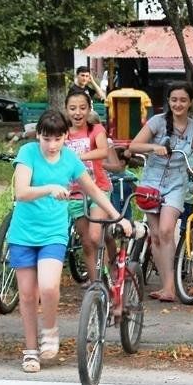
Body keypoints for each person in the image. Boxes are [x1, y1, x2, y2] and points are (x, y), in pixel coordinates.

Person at [7, 109, 131, 373]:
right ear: (38, 136)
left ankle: (50, 331)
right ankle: (30, 350)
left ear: (65, 137)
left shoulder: (70, 159)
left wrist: (118, 218)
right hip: (23, 233)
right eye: (46, 139)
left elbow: (94, 190)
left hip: (53, 232)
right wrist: (50, 188)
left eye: (57, 139)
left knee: (49, 287)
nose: (51, 145)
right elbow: (21, 192)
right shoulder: (28, 153)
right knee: (28, 295)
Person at [126, 83, 193, 303]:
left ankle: (170, 288)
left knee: (168, 230)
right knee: (157, 235)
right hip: (151, 182)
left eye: (183, 100)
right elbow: (134, 145)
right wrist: (153, 148)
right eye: (174, 100)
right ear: (168, 101)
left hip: (177, 184)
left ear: (190, 103)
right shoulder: (157, 122)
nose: (178, 104)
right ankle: (167, 286)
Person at [64, 88, 114, 283]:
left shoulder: (96, 130)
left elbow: (102, 151)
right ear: (66, 109)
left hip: (98, 188)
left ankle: (110, 271)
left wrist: (78, 157)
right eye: (73, 108)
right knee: (86, 242)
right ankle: (96, 285)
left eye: (82, 108)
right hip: (74, 192)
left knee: (95, 236)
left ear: (89, 109)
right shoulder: (62, 133)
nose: (78, 113)